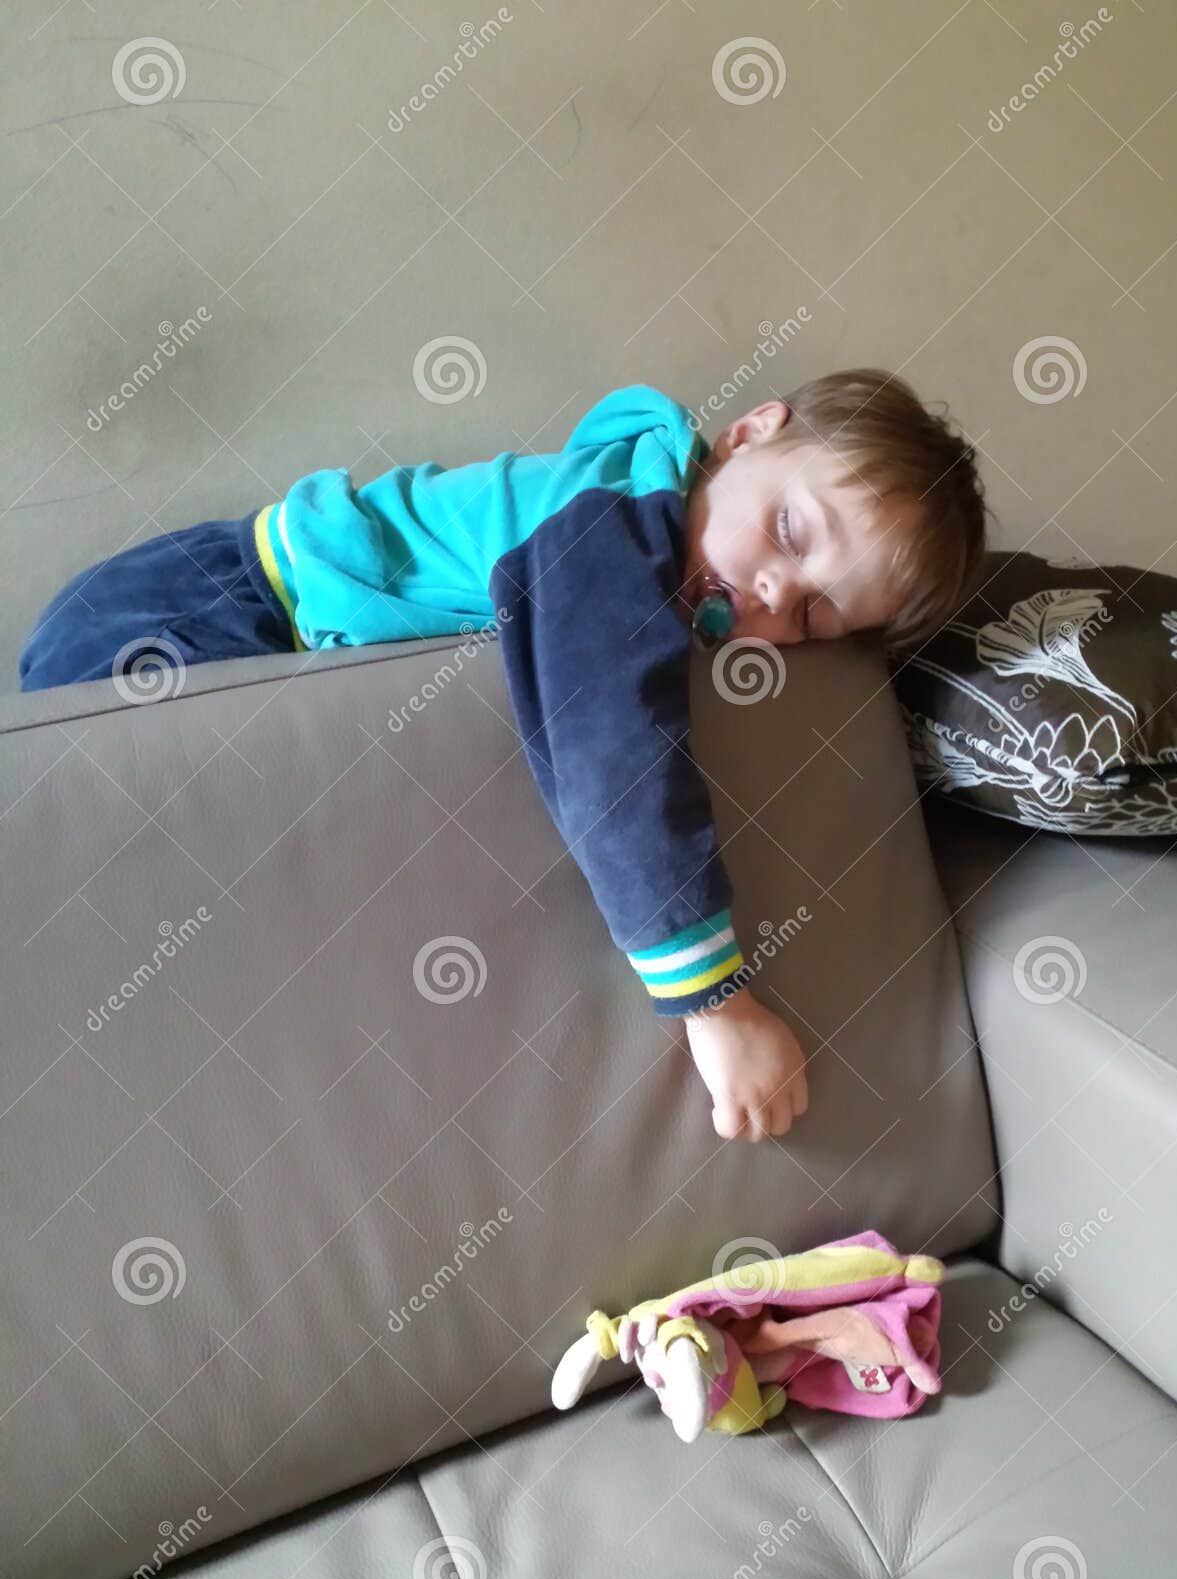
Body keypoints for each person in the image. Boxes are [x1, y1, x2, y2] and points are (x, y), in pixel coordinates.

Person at [19, 368, 987, 1144]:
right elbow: (610, 747)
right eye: (788, 530)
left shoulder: (648, 527)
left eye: (815, 614)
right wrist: (714, 1002)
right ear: (747, 434)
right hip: (199, 608)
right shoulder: (614, 523)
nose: (774, 591)